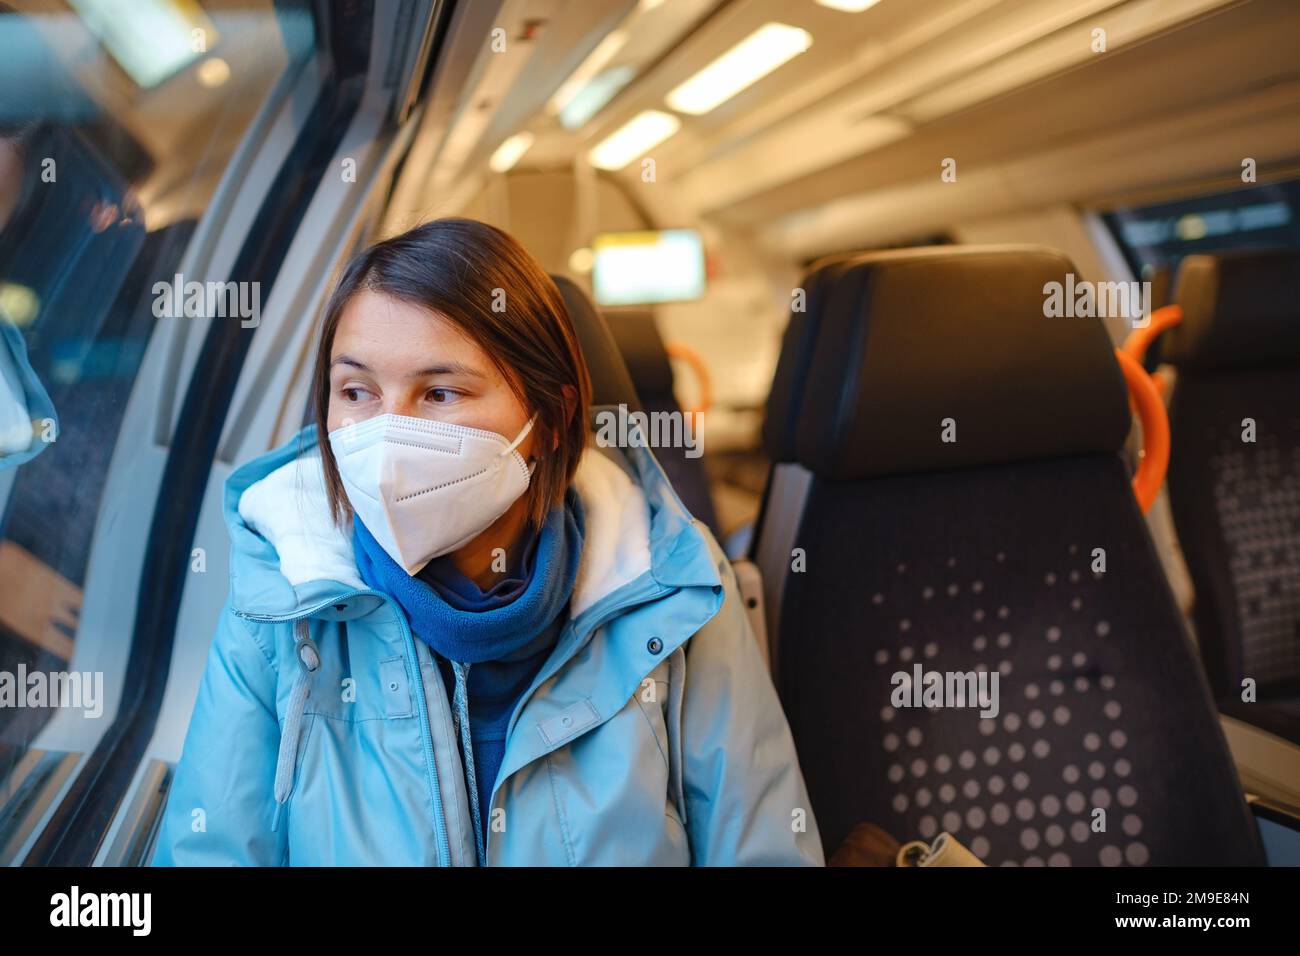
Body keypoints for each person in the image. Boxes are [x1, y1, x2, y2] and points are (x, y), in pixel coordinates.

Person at [151, 217, 823, 866]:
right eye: (356, 391)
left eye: (440, 393)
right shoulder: (283, 603)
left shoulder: (671, 589)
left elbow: (760, 847)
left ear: (552, 418)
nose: (387, 441)